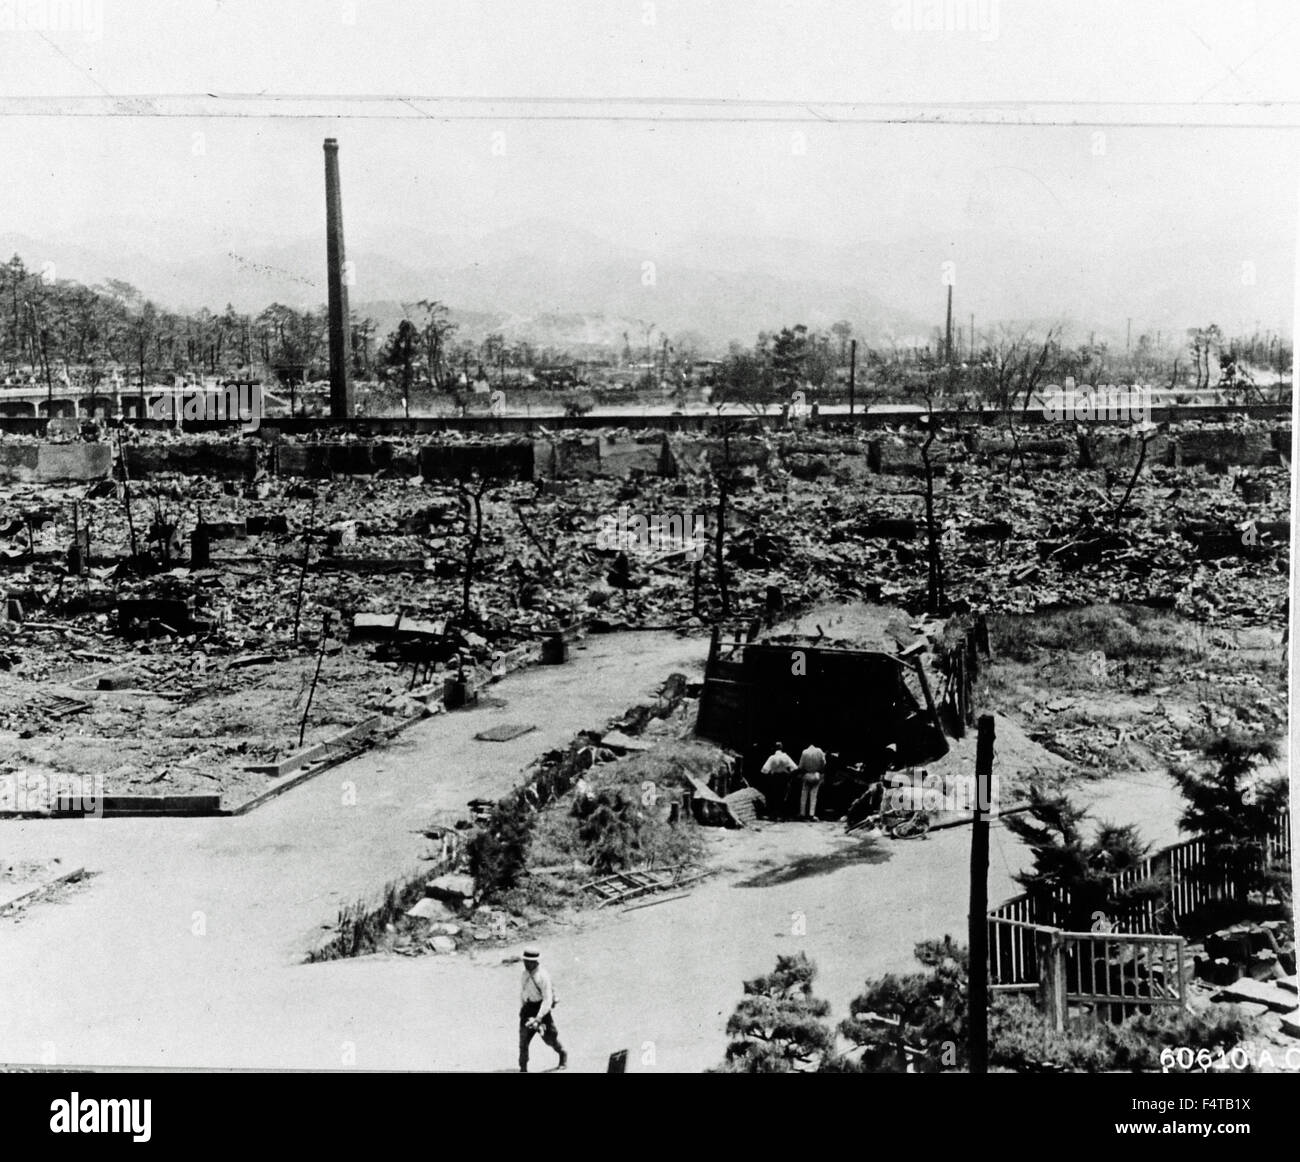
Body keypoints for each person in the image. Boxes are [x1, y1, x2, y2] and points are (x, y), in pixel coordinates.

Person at [519, 947, 566, 1073]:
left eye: (529, 961)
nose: (526, 963)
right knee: (523, 1041)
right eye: (525, 961)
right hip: (528, 1010)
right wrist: (523, 1009)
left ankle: (562, 1054)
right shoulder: (524, 974)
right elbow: (523, 992)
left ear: (535, 962)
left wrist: (539, 1018)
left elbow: (547, 1000)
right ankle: (523, 1068)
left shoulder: (542, 976)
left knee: (550, 1039)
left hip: (541, 1011)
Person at [760, 742, 798, 818]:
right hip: (784, 777)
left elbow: (764, 770)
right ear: (782, 748)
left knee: (774, 794)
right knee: (783, 795)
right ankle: (782, 813)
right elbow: (795, 768)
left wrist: (771, 772)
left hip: (775, 777)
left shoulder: (772, 758)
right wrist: (788, 773)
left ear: (774, 748)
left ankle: (774, 812)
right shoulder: (786, 757)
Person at [798, 742, 827, 820]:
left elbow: (800, 766)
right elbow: (824, 764)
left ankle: (802, 813)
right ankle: (811, 814)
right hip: (816, 775)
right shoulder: (820, 751)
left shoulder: (804, 752)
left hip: (807, 775)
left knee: (804, 795)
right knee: (813, 796)